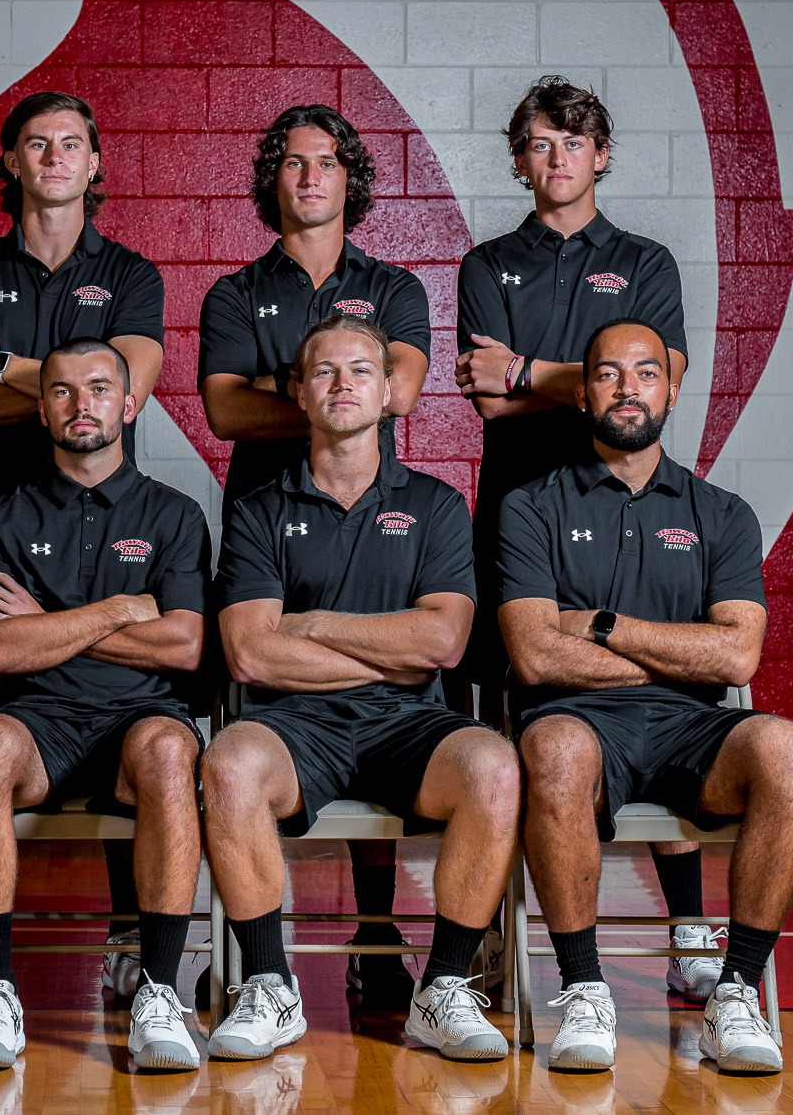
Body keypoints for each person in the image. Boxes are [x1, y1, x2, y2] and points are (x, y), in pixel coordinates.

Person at [455, 75, 719, 999]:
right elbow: (489, 398)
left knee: (668, 696)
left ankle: (690, 929)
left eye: (573, 141)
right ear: (520, 158)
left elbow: (659, 383)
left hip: (632, 505)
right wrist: (595, 374)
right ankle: (494, 942)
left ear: (601, 155)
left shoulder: (646, 260)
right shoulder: (487, 263)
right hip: (521, 509)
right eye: (538, 142)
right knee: (510, 715)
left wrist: (536, 368)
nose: (556, 157)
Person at [497, 319, 793, 1074]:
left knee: (789, 748)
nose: (628, 387)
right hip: (578, 722)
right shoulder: (530, 507)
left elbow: (738, 652)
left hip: (693, 730)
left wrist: (605, 627)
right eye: (608, 373)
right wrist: (679, 652)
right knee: (553, 746)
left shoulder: (722, 513)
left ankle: (735, 992)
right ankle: (583, 988)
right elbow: (537, 656)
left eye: (645, 373)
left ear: (672, 389)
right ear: (582, 393)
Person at [200, 315, 518, 1062]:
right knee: (227, 763)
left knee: (496, 766)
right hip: (293, 723)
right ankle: (270, 984)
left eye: (362, 371)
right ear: (300, 397)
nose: (343, 384)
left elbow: (443, 643)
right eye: (324, 372)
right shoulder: (257, 510)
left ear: (388, 396)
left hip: (409, 722)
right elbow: (249, 654)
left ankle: (440, 988)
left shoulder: (438, 504)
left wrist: (309, 627)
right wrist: (390, 648)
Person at [0, 90, 165, 994]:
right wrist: (76, 376)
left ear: (95, 164)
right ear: (12, 163)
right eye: (38, 143)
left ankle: (134, 930)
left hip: (109, 515)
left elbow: (127, 391)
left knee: (120, 693)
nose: (56, 156)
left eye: (72, 144)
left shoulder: (133, 274)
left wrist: (6, 369)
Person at [197, 102, 434, 1007]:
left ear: (349, 179)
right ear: (274, 179)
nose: (308, 177)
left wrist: (286, 388)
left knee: (375, 700)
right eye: (291, 162)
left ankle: (378, 935)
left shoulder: (398, 286)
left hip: (373, 516)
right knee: (260, 718)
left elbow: (402, 391)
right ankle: (255, 948)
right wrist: (340, 395)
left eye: (325, 162)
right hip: (270, 519)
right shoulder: (232, 292)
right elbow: (224, 410)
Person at [0, 338, 210, 1072]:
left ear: (128, 404)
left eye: (98, 388)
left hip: (143, 718)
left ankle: (158, 989)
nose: (80, 403)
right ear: (41, 408)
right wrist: (124, 608)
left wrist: (50, 620)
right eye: (61, 390)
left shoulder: (175, 513)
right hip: (41, 722)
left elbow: (185, 646)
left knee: (168, 751)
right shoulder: (2, 513)